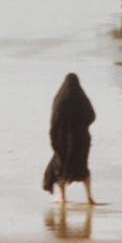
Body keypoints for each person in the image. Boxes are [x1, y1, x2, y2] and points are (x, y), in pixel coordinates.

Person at [42, 73, 96, 206]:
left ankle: (62, 197)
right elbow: (91, 115)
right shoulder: (82, 99)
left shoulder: (59, 99)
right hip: (81, 138)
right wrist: (82, 126)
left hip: (63, 138)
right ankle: (89, 197)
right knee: (82, 166)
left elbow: (54, 120)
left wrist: (56, 137)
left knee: (60, 165)